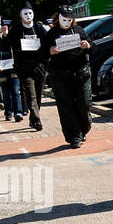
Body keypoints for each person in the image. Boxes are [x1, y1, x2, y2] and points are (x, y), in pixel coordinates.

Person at [46, 9, 94, 148]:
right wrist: (50, 50)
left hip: (81, 73)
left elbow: (93, 47)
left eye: (69, 20)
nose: (66, 23)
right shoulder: (52, 34)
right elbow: (41, 52)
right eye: (63, 19)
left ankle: (84, 127)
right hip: (60, 75)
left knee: (84, 103)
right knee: (67, 107)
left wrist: (88, 45)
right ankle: (74, 137)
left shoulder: (79, 30)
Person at [5, 5, 49, 130]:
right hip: (24, 66)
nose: (28, 16)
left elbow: (48, 42)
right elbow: (7, 44)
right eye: (25, 13)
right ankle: (36, 120)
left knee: (38, 93)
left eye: (30, 13)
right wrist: (5, 34)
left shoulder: (39, 28)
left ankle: (33, 118)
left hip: (39, 65)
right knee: (31, 93)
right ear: (20, 15)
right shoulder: (16, 30)